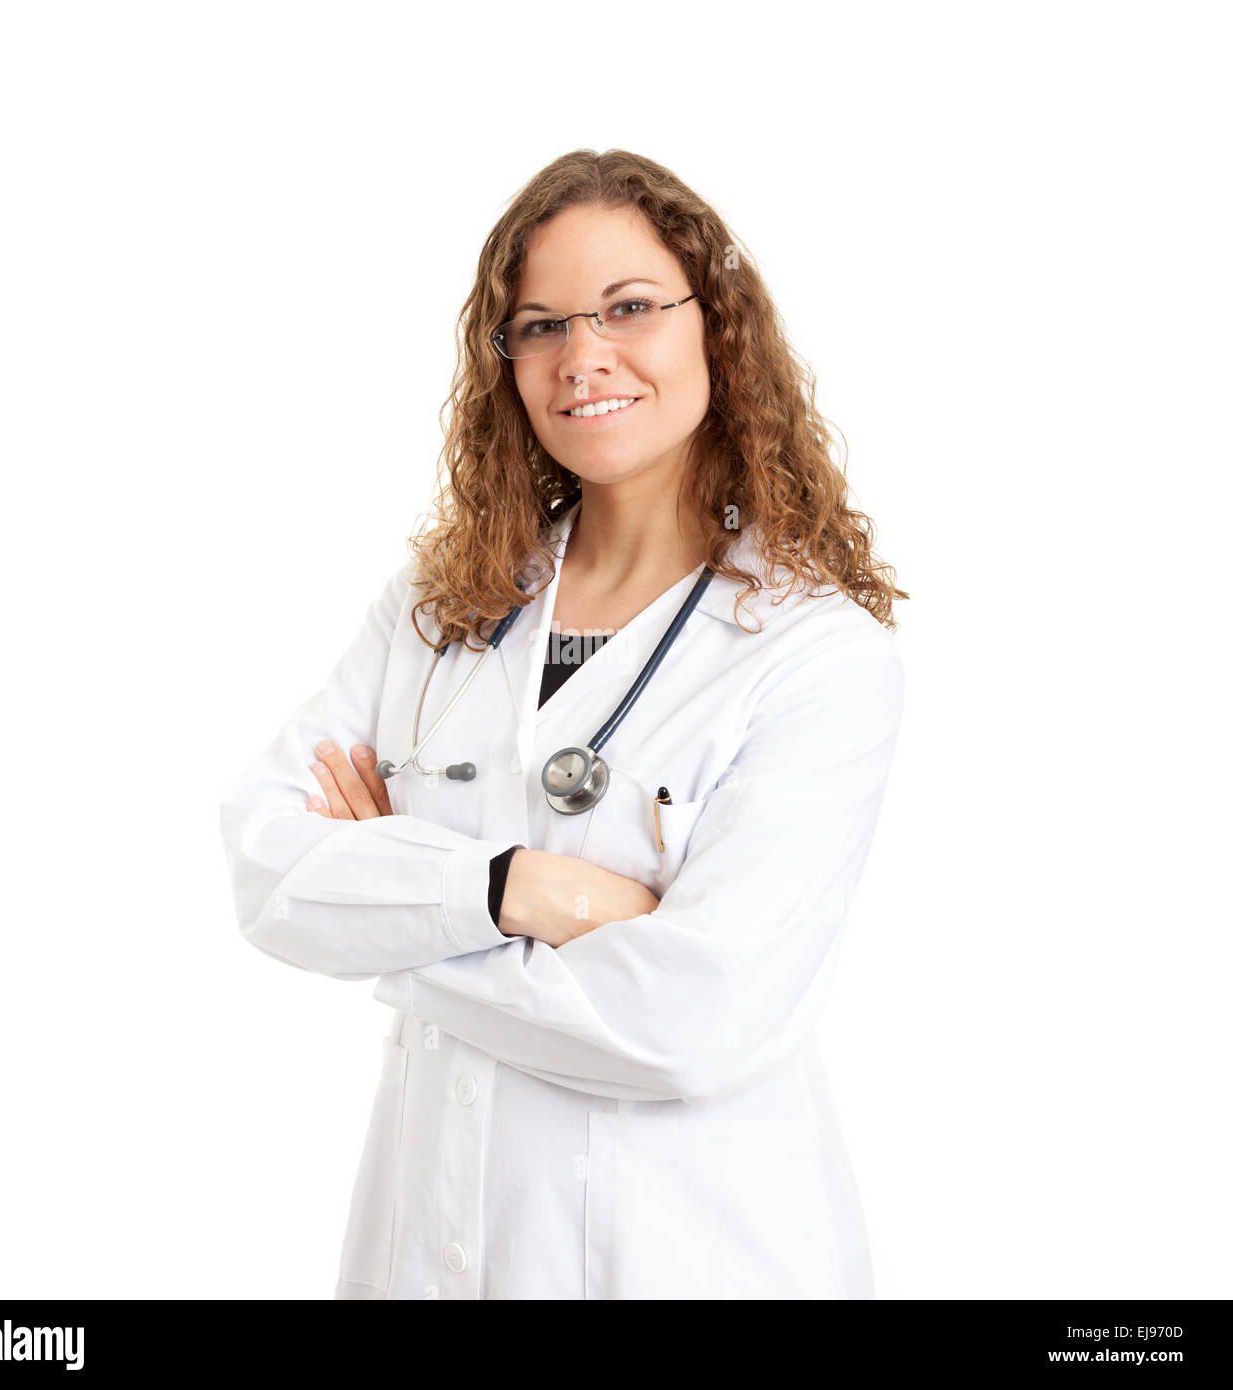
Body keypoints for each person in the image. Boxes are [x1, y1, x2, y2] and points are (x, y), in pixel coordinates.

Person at [218, 148, 909, 1300]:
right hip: (428, 1245)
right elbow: (264, 863)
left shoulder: (814, 652)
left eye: (630, 308)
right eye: (538, 325)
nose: (583, 358)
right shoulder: (442, 609)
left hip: (695, 1253)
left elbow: (694, 1017)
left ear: (716, 328)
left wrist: (394, 910)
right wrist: (508, 891)